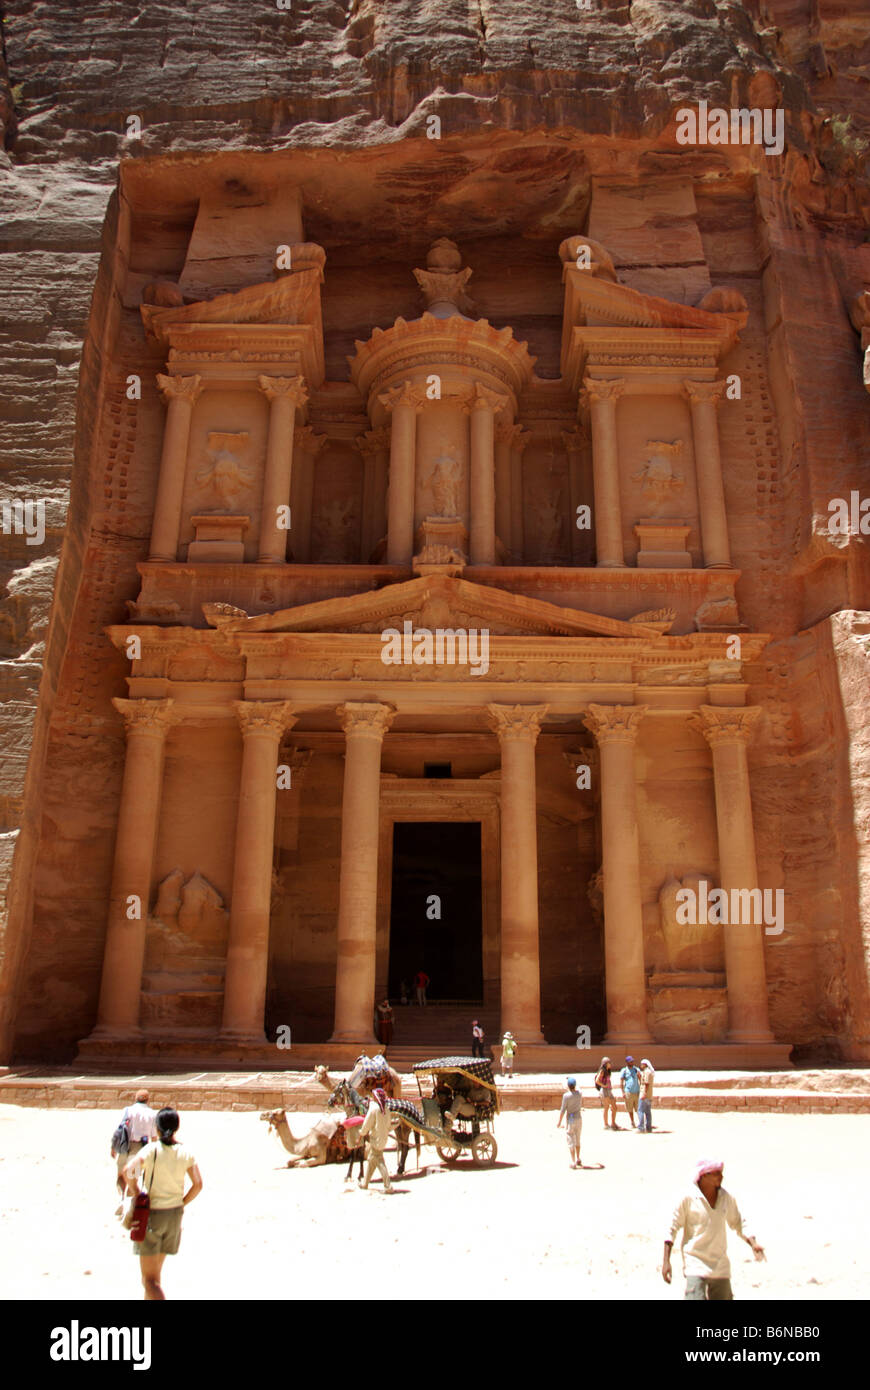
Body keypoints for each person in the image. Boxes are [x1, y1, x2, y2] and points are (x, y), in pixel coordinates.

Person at [122, 1107, 202, 1301]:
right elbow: (198, 1184)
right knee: (155, 1277)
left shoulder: (152, 1150)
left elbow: (127, 1170)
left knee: (149, 1281)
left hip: (153, 1215)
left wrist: (136, 1190)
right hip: (174, 1215)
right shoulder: (185, 1151)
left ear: (157, 1128)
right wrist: (182, 1202)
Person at [663, 1158, 765, 1300]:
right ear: (704, 1176)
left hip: (720, 1267)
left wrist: (753, 1243)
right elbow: (671, 1228)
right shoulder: (688, 1198)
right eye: (716, 1173)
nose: (721, 1177)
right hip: (695, 1265)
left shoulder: (725, 1198)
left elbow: (738, 1222)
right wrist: (666, 1261)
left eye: (721, 1173)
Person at [111, 1089, 158, 1212]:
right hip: (140, 1147)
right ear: (148, 1099)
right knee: (133, 1176)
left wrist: (113, 1146)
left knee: (121, 1173)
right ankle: (128, 1203)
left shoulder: (127, 1110)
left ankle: (121, 1198)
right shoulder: (152, 1114)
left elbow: (119, 1129)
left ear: (135, 1098)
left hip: (124, 1144)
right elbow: (154, 1136)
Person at [359, 1087, 393, 1193]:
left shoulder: (374, 1109)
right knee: (371, 1160)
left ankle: (388, 1186)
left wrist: (362, 1133)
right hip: (383, 1138)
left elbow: (367, 1123)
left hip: (375, 1139)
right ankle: (365, 1183)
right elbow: (388, 1124)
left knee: (379, 1161)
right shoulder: (386, 1109)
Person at [556, 1076, 583, 1168]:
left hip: (571, 1117)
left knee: (571, 1138)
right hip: (578, 1117)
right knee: (578, 1138)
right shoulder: (579, 1093)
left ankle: (573, 1161)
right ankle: (578, 1158)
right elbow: (578, 1087)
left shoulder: (566, 1096)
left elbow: (563, 1110)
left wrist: (559, 1122)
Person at [594, 1057, 618, 1130]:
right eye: (609, 1063)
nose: (610, 1064)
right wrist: (604, 1086)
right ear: (605, 1064)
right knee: (606, 1107)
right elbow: (597, 1080)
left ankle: (613, 1123)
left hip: (609, 1090)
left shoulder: (607, 1071)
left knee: (614, 1107)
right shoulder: (602, 1071)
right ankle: (606, 1124)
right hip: (604, 1091)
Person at [619, 1055, 641, 1128]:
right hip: (628, 1091)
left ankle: (641, 1122)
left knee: (638, 1108)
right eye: (630, 1061)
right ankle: (632, 1122)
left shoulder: (636, 1069)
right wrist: (622, 1092)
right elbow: (621, 1082)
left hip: (636, 1091)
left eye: (632, 1061)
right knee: (630, 1108)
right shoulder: (624, 1070)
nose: (632, 1062)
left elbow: (640, 1079)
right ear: (627, 1062)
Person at [638, 1058, 655, 1133]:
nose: (640, 1066)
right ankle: (648, 1127)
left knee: (640, 1110)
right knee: (647, 1112)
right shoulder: (647, 1072)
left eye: (642, 1064)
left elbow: (647, 1083)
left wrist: (644, 1093)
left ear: (645, 1064)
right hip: (648, 1095)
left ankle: (641, 1128)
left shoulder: (647, 1072)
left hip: (644, 1095)